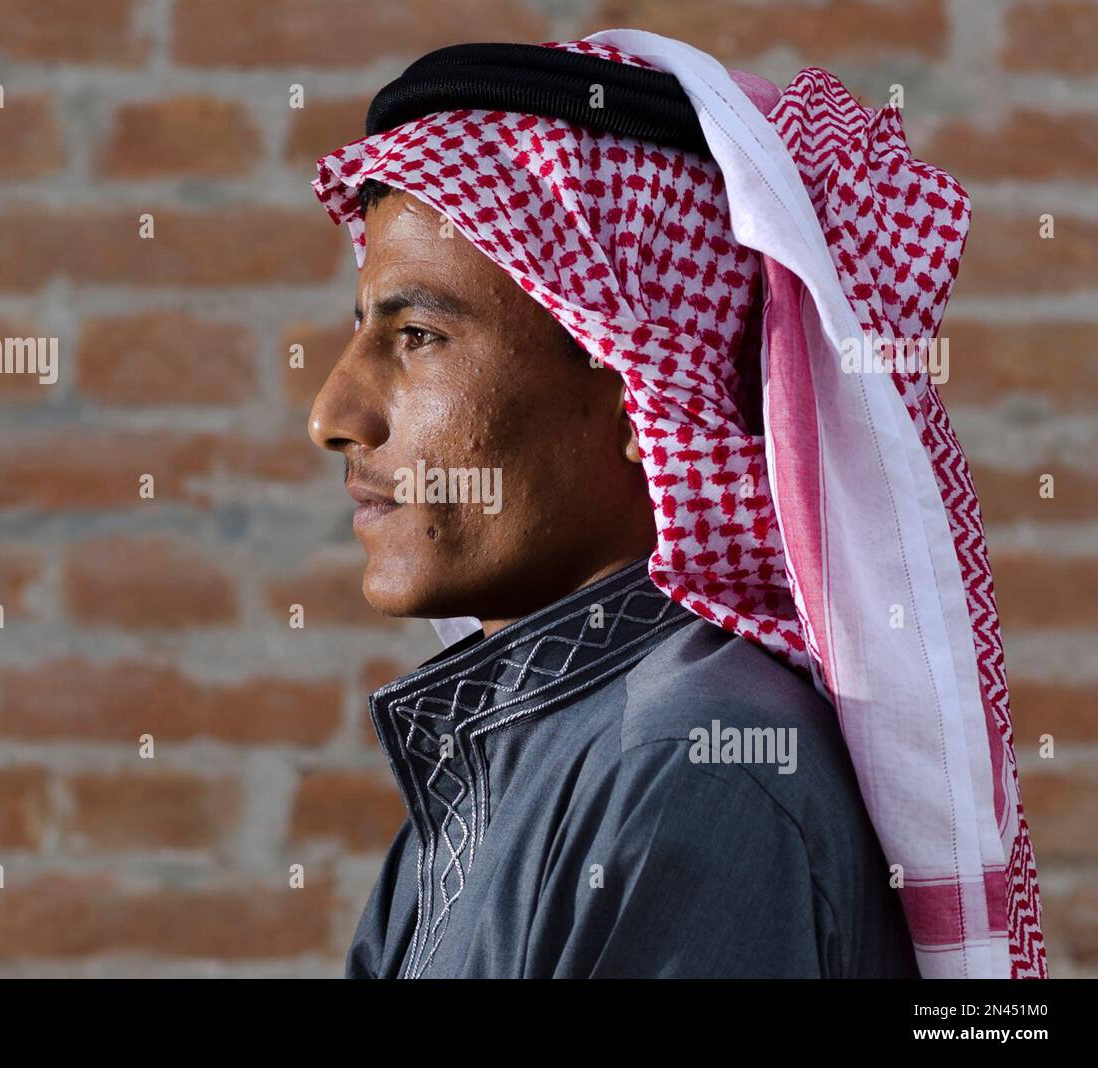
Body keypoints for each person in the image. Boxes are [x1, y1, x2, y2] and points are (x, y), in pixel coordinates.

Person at [306, 31, 1045, 978]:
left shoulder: (696, 769)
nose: (335, 414)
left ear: (643, 389)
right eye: (360, 329)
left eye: (417, 335)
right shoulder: (517, 744)